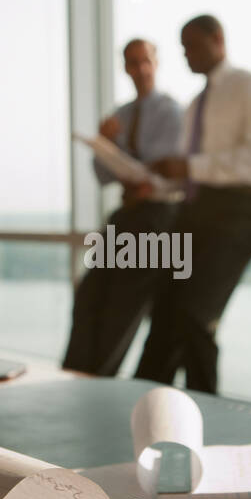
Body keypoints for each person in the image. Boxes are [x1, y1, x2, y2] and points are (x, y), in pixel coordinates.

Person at [134, 15, 251, 393]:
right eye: (182, 48)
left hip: (238, 212)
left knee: (196, 315)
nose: (186, 55)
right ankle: (146, 404)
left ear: (218, 39)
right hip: (195, 211)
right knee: (164, 313)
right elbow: (191, 169)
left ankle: (204, 409)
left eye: (192, 46)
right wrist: (156, 181)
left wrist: (189, 167)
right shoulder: (195, 104)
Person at [62, 38, 184, 376]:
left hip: (157, 217)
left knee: (122, 306)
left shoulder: (172, 112)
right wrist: (106, 143)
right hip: (127, 214)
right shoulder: (120, 116)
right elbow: (103, 174)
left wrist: (129, 164)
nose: (140, 69)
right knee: (89, 297)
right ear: (125, 68)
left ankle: (97, 380)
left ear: (156, 62)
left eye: (145, 61)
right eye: (133, 62)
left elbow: (161, 170)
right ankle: (74, 375)